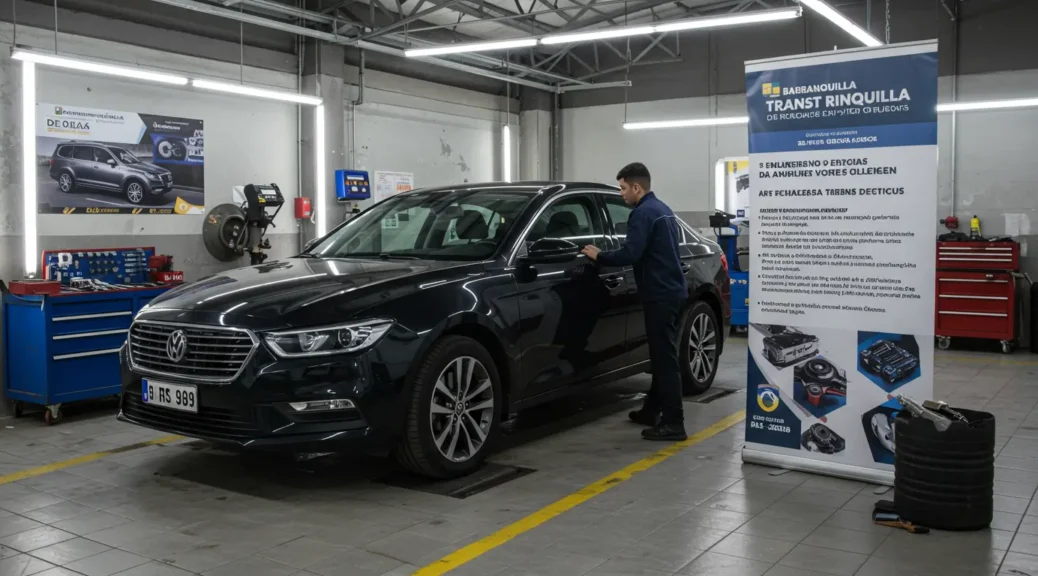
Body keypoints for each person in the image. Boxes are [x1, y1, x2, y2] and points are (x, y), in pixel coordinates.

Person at [581, 163, 689, 441]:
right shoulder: (663, 209)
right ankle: (651, 410)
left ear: (637, 188)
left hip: (659, 295)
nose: (621, 194)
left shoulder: (642, 214)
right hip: (672, 291)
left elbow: (631, 253)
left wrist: (599, 256)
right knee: (662, 355)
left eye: (623, 188)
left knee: (665, 360)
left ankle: (674, 423)